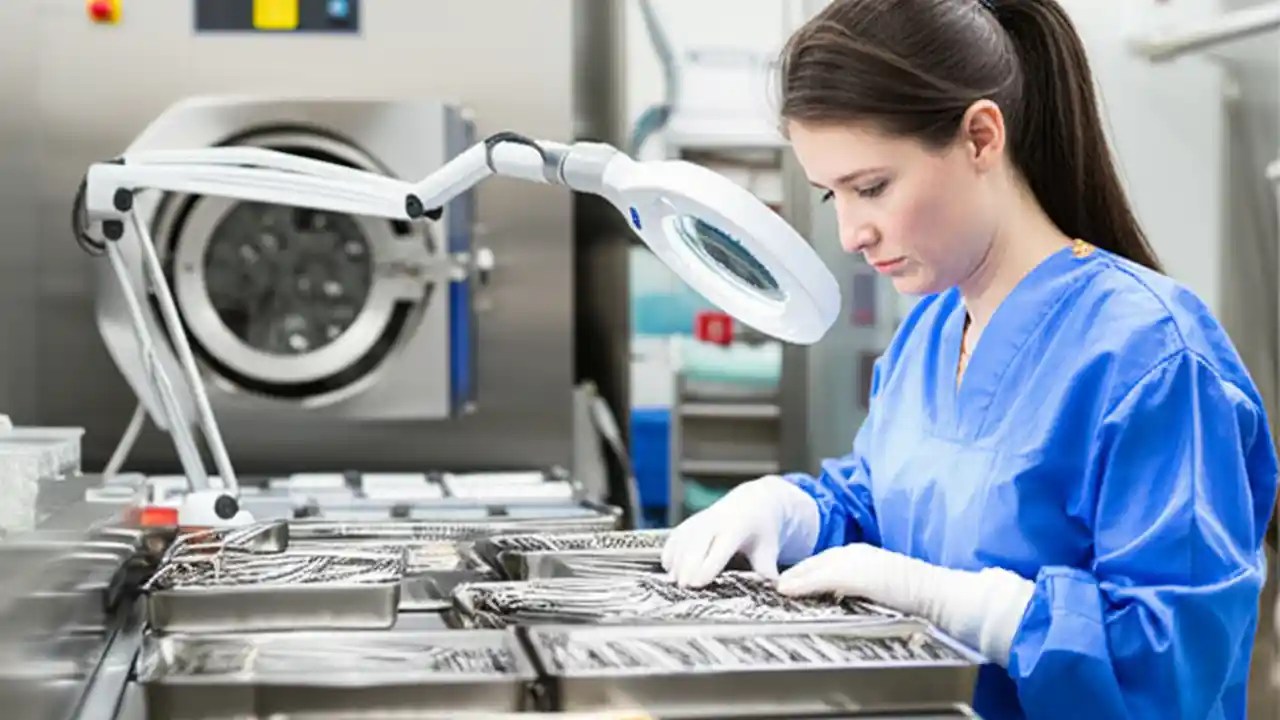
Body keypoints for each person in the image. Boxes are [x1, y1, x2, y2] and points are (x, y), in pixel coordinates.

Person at [659, 0, 1279, 718]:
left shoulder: (1154, 358)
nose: (851, 233)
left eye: (872, 187)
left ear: (981, 138)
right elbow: (886, 510)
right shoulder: (928, 333)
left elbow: (1173, 675)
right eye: (832, 195)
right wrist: (794, 512)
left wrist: (975, 609)